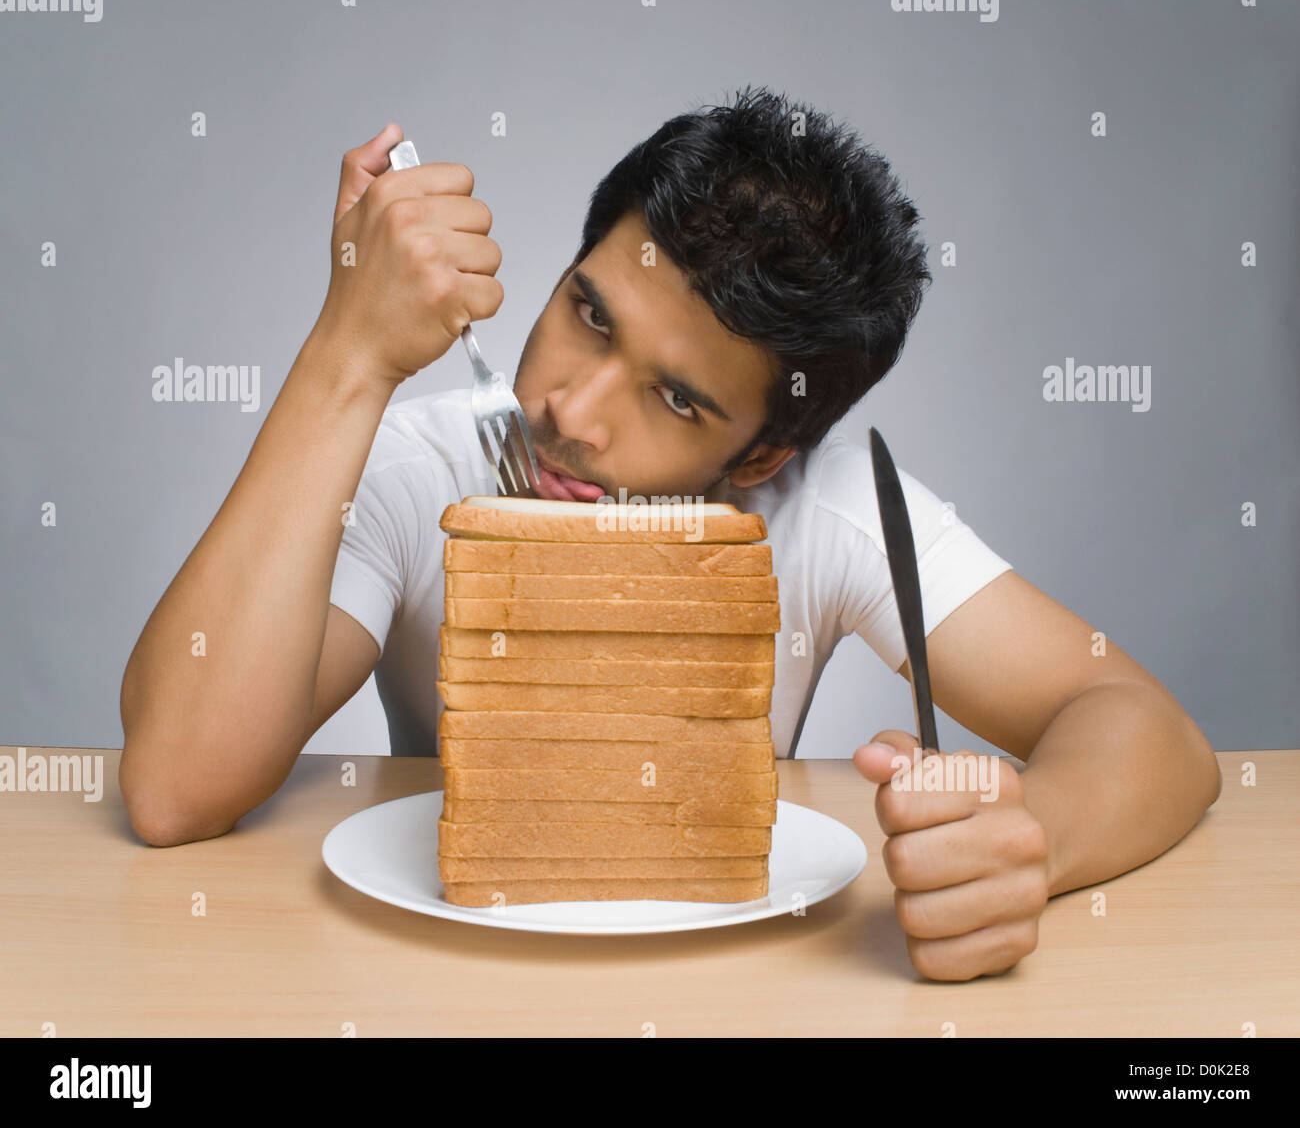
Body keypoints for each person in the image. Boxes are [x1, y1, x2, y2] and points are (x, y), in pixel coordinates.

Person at [119, 86, 1220, 981]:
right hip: (454, 986)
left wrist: (1031, 846)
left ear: (761, 457)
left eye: (678, 401)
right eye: (589, 314)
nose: (570, 413)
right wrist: (346, 355)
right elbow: (176, 786)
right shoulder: (426, 471)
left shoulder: (823, 512)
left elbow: (1148, 732)